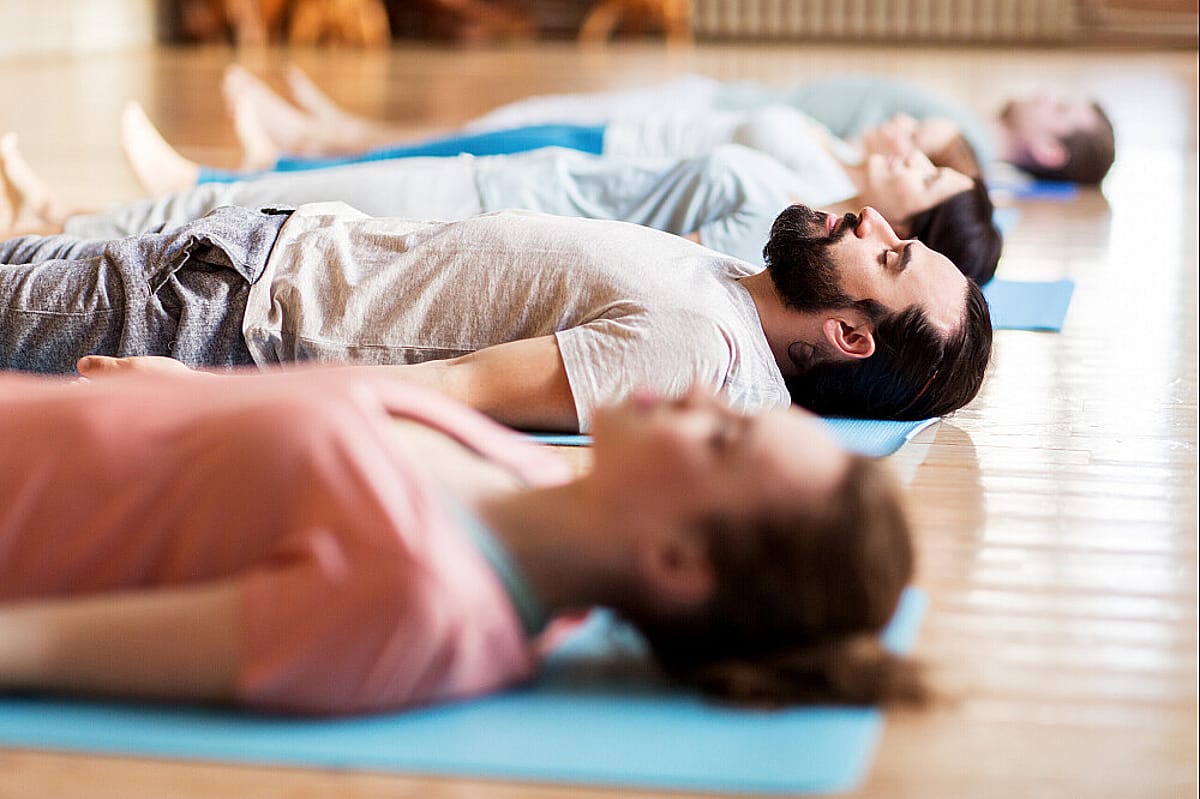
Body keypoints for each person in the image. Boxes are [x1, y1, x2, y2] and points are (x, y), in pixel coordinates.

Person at [0, 365, 925, 715]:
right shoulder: (528, 473)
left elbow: (37, 645)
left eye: (724, 438)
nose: (703, 395)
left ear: (677, 562)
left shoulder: (411, 604)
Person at [0, 201, 992, 427]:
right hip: (247, 253)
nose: (871, 220)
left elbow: (450, 390)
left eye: (889, 256)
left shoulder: (698, 347)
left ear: (850, 334)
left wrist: (199, 396)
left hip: (219, 314)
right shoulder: (739, 287)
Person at [116, 86, 1002, 283]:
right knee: (403, 158)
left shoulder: (796, 214)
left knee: (309, 207)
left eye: (925, 176)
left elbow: (669, 257)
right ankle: (158, 198)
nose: (909, 161)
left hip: (522, 200)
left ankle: (193, 185)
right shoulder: (822, 182)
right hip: (580, 159)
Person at [2, 131, 1001, 282]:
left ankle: (47, 232)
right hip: (500, 185)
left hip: (475, 202)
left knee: (232, 207)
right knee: (234, 202)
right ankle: (55, 219)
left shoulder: (772, 226)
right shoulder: (801, 195)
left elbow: (654, 258)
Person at [232, 66, 1114, 184]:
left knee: (517, 127)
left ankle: (315, 142)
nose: (1051, 92)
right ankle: (328, 132)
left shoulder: (957, 142)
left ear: (1049, 147)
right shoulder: (964, 148)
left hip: (706, 120)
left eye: (1066, 110)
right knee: (514, 124)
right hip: (722, 114)